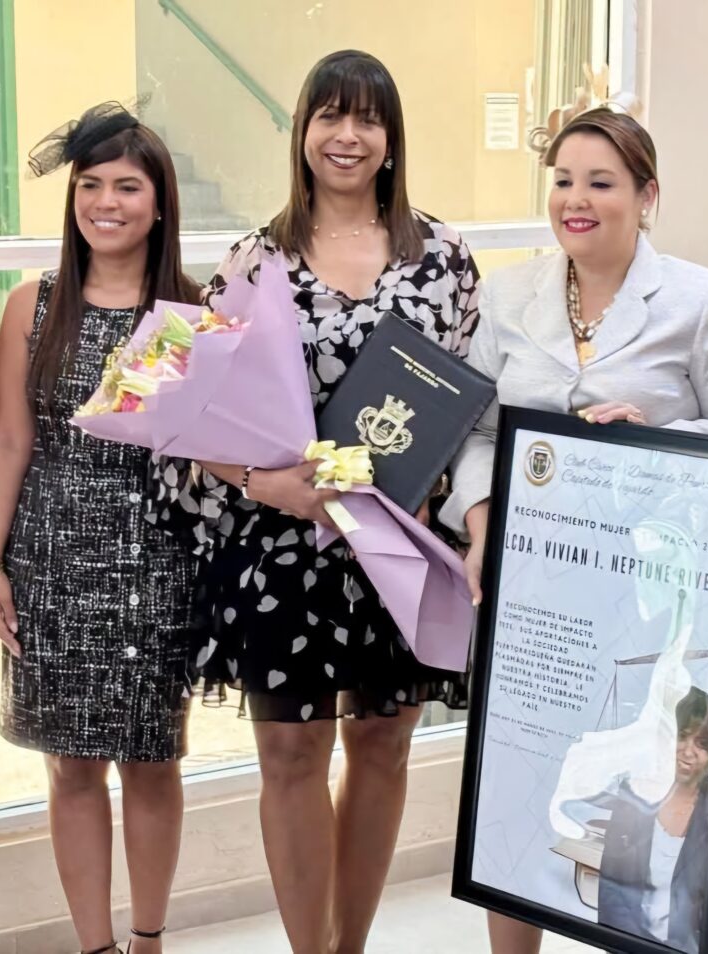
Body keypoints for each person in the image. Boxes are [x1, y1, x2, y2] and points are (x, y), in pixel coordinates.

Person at [147, 49, 478, 954]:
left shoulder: (445, 258)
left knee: (382, 750)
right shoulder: (256, 259)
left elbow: (470, 407)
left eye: (366, 118)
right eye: (329, 116)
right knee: (292, 757)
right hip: (282, 545)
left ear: (390, 138)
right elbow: (188, 417)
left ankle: (350, 946)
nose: (347, 135)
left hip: (396, 549)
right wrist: (268, 483)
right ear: (302, 132)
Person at [438, 88, 708, 954]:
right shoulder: (508, 299)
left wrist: (658, 435)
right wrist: (479, 520)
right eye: (563, 181)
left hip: (644, 603)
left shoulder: (697, 301)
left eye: (603, 183)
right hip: (530, 583)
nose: (576, 201)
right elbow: (474, 430)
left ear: (646, 195)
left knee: (635, 794)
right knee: (516, 783)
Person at [0, 103, 200, 954]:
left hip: (155, 554)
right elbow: (9, 437)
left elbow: (210, 446)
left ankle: (147, 940)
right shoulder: (32, 303)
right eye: (91, 184)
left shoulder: (183, 313)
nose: (106, 202)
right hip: (47, 554)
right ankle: (94, 946)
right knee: (69, 764)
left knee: (151, 758)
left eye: (127, 186)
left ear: (158, 200)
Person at [596, 687, 708, 953]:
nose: (688, 752)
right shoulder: (635, 794)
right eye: (682, 737)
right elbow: (612, 894)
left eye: (702, 744)